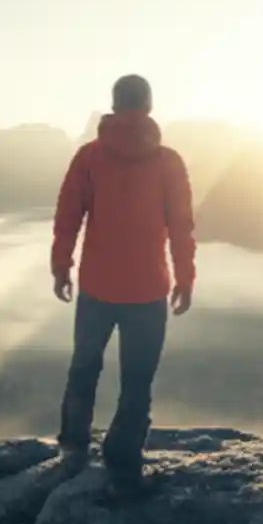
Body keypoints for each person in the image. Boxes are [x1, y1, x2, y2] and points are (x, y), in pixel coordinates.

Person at [51, 74, 196, 495]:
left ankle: (74, 447)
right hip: (149, 289)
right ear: (149, 107)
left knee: (84, 368)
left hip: (97, 287)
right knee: (137, 380)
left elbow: (68, 216)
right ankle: (123, 461)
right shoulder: (169, 161)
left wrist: (62, 265)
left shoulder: (90, 157)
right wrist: (185, 276)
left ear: (114, 106)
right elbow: (181, 226)